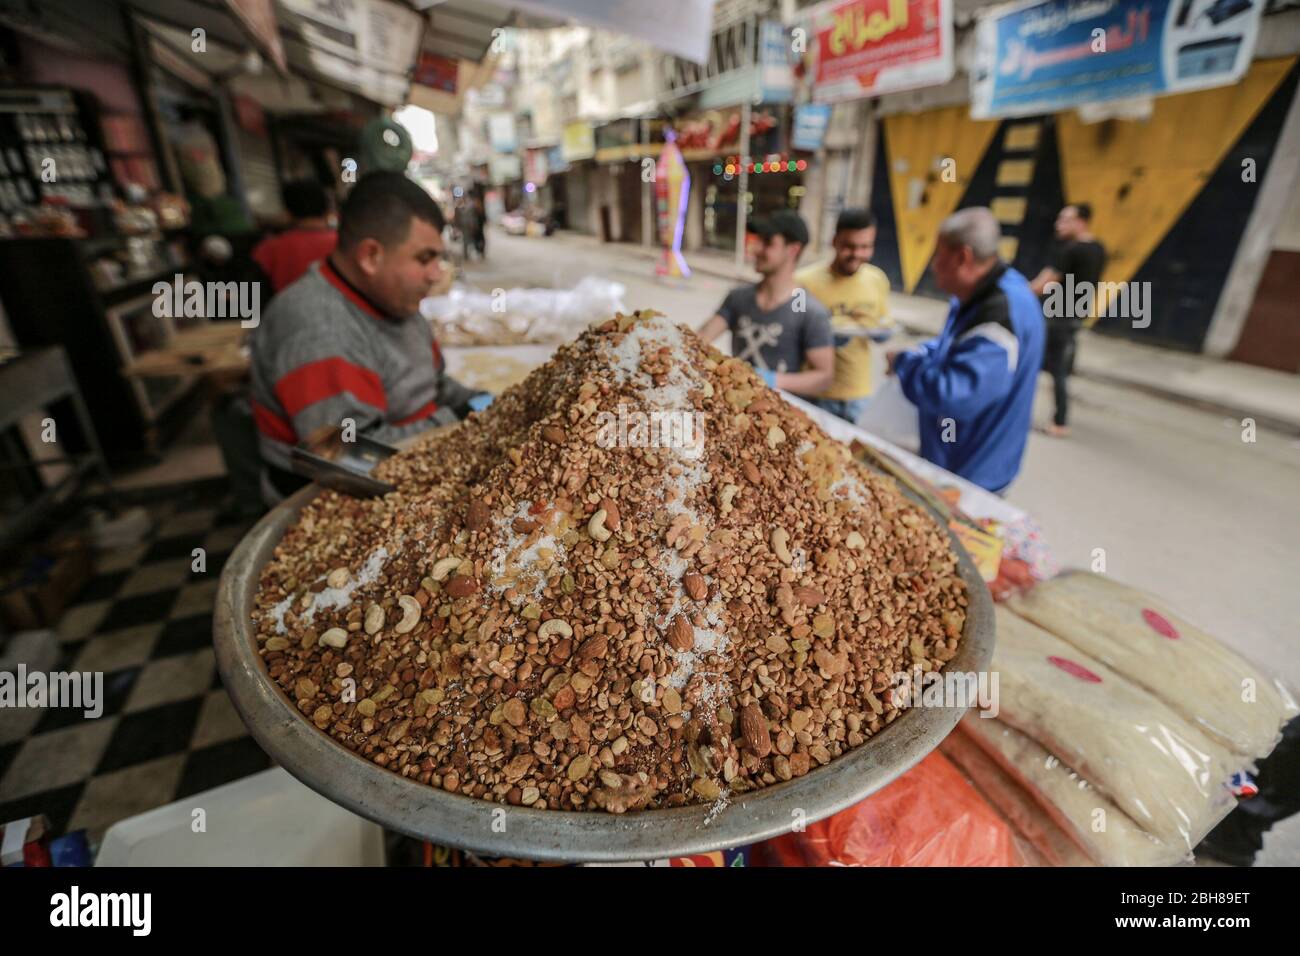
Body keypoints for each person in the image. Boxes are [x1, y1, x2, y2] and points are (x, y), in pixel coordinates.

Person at [250, 172, 484, 504]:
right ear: (371, 256)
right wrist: (458, 418)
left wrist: (483, 401)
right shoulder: (318, 329)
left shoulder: (393, 298)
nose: (436, 274)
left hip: (413, 464)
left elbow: (434, 383)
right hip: (333, 496)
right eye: (424, 258)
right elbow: (347, 454)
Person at [890, 208, 1044, 494]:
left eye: (939, 256)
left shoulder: (999, 316)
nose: (934, 266)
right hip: (961, 462)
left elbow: (954, 396)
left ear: (963, 257)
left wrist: (905, 364)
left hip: (971, 474)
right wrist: (921, 351)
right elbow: (956, 348)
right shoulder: (987, 291)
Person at [697, 209, 834, 399]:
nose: (757, 249)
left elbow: (824, 377)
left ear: (793, 249)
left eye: (768, 243)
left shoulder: (807, 308)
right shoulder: (739, 297)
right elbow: (701, 337)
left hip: (778, 409)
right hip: (733, 401)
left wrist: (773, 380)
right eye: (758, 241)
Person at [796, 208, 894, 423]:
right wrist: (822, 335)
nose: (857, 254)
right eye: (849, 246)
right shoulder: (803, 282)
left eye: (865, 247)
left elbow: (883, 322)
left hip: (859, 395)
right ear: (834, 241)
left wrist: (882, 332)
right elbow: (791, 333)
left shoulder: (877, 279)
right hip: (814, 395)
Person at [1029, 203, 1107, 438]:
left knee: (1039, 364)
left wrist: (1015, 293)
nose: (1058, 224)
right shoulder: (1098, 249)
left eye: (1065, 219)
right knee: (1056, 368)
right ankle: (1058, 418)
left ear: (1081, 222)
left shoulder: (1070, 250)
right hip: (1075, 317)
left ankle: (1059, 422)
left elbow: (1044, 284)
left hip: (1057, 318)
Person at [251, 180, 338, 294]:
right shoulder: (346, 243)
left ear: (287, 211)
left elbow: (253, 297)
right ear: (328, 210)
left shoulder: (268, 249)